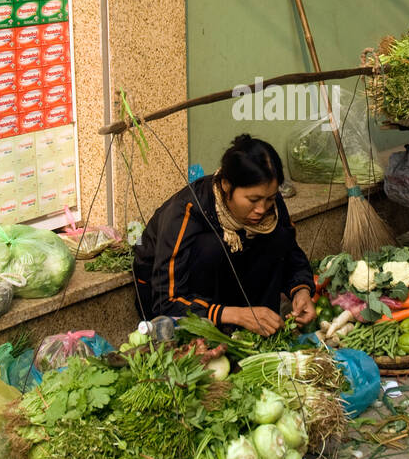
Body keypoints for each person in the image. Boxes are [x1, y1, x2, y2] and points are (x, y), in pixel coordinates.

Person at [132, 134, 317, 335]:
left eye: (270, 198)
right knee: (212, 246)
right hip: (171, 305)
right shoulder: (184, 213)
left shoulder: (269, 205)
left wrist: (301, 290)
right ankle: (220, 334)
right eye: (253, 199)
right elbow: (165, 302)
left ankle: (261, 332)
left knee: (276, 234)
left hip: (231, 288)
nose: (261, 208)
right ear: (227, 185)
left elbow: (290, 252)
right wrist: (237, 315)